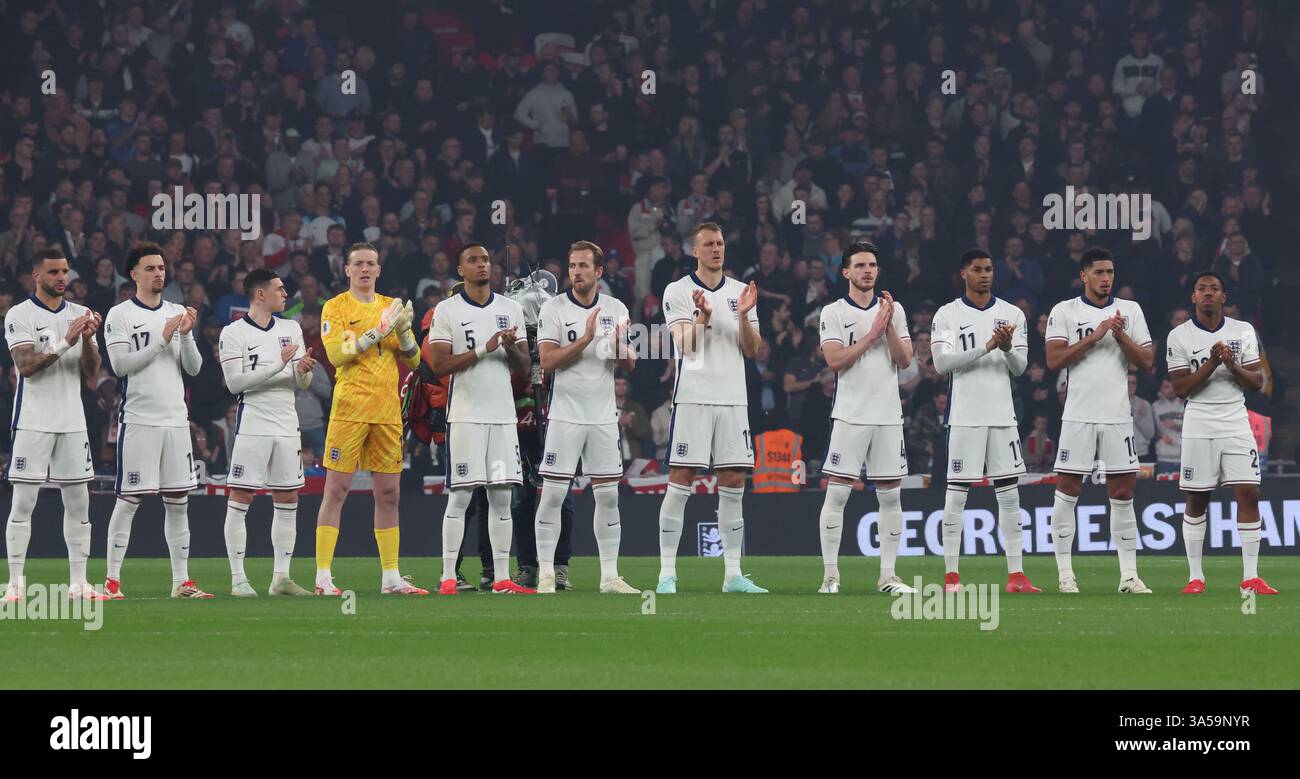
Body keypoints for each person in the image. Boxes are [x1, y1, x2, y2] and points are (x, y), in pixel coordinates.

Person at [656, 223, 766, 594]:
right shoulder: (678, 291)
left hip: (734, 398)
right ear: (694, 250)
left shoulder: (741, 292)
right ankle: (667, 574)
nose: (716, 249)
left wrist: (742, 314)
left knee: (734, 483)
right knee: (681, 480)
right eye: (708, 244)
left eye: (720, 242)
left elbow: (752, 349)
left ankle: (733, 574)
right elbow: (686, 345)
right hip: (693, 397)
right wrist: (702, 316)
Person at [1044, 247, 1154, 594]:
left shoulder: (1131, 311)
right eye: (1099, 273)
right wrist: (1096, 334)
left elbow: (1147, 361)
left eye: (1110, 272)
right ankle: (1065, 574)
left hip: (1118, 416)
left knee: (1123, 492)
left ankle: (1128, 575)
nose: (1106, 278)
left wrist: (1119, 335)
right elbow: (1053, 360)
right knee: (1068, 491)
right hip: (1078, 414)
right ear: (1084, 276)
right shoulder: (1065, 310)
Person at [315, 242, 423, 595]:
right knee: (336, 490)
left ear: (378, 269)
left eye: (371, 264)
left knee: (389, 494)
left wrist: (404, 331)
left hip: (387, 412)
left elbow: (415, 360)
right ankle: (323, 577)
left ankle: (391, 577)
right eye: (358, 263)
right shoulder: (337, 307)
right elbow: (337, 355)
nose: (364, 269)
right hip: (350, 410)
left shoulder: (389, 306)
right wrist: (377, 331)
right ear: (346, 270)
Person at [102, 243, 209, 598]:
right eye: (150, 268)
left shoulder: (177, 311)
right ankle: (112, 581)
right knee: (129, 499)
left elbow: (193, 368)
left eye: (161, 268)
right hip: (140, 418)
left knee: (178, 500)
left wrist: (186, 334)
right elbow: (120, 366)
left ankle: (182, 582)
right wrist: (163, 339)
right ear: (134, 274)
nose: (158, 273)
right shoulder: (120, 315)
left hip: (176, 420)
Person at [427, 242, 535, 595]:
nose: (482, 265)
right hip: (466, 418)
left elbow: (524, 367)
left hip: (503, 418)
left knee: (502, 497)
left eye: (486, 260)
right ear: (461, 270)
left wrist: (508, 347)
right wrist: (482, 349)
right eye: (473, 260)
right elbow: (440, 364)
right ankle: (447, 577)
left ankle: (502, 578)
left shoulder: (511, 308)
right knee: (460, 497)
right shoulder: (447, 310)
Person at [932, 249, 1038, 594]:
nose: (985, 275)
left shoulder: (1012, 314)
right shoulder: (947, 314)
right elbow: (942, 364)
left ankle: (1017, 576)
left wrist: (1006, 348)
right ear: (964, 273)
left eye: (989, 269)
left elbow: (1020, 368)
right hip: (964, 417)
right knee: (957, 496)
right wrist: (988, 346)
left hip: (1002, 416)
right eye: (977, 269)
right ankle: (951, 577)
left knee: (1009, 497)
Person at [535, 240, 638, 594]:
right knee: (551, 494)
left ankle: (609, 576)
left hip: (603, 417)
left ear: (598, 271)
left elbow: (630, 363)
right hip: (565, 416)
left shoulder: (616, 307)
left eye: (583, 266)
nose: (576, 272)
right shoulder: (553, 308)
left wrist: (622, 346)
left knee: (608, 496)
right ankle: (546, 573)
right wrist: (587, 339)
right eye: (572, 265)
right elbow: (547, 362)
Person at [3, 249, 104, 602]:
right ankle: (15, 583)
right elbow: (27, 366)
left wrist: (89, 338)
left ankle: (79, 582)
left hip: (72, 421)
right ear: (36, 275)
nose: (61, 277)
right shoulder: (20, 314)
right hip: (33, 420)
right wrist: (66, 341)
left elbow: (92, 372)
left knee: (79, 502)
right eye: (54, 272)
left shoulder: (80, 314)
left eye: (65, 271)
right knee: (23, 502)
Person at [815, 241, 914, 594]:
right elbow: (835, 361)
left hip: (888, 416)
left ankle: (888, 576)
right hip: (850, 416)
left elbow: (905, 361)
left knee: (890, 497)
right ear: (846, 272)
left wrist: (886, 325)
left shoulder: (894, 310)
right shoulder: (833, 312)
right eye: (859, 265)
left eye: (872, 265)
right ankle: (830, 576)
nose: (867, 270)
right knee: (838, 495)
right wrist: (871, 334)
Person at [1168, 271, 1275, 595]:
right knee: (1197, 497)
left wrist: (1232, 365)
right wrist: (1212, 363)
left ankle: (1251, 577)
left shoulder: (1242, 331)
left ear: (1224, 297)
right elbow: (1180, 388)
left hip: (1235, 420)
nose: (1208, 294)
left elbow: (1257, 382)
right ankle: (1196, 577)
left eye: (1214, 289)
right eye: (1202, 289)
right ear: (1193, 297)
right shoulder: (1180, 336)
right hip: (1199, 422)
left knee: (1249, 493)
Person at [218, 268, 318, 597]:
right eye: (279, 289)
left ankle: (281, 578)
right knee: (241, 496)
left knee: (288, 497)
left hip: (287, 422)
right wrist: (280, 365)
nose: (285, 294)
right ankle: (237, 579)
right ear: (260, 294)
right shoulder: (234, 333)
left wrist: (303, 371)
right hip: (254, 423)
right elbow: (235, 383)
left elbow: (300, 381)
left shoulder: (291, 328)